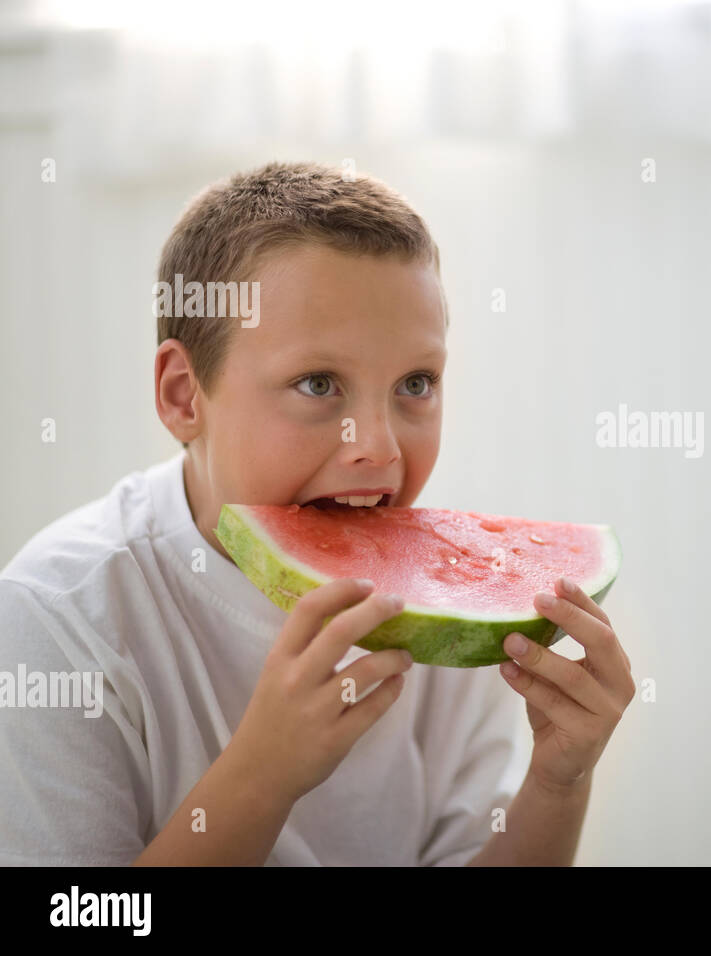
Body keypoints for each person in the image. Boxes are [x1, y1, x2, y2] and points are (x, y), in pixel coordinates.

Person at [0, 161, 634, 865]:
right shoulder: (54, 620)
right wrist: (263, 778)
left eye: (415, 384)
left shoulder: (457, 616)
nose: (380, 447)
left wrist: (556, 785)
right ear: (184, 397)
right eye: (318, 384)